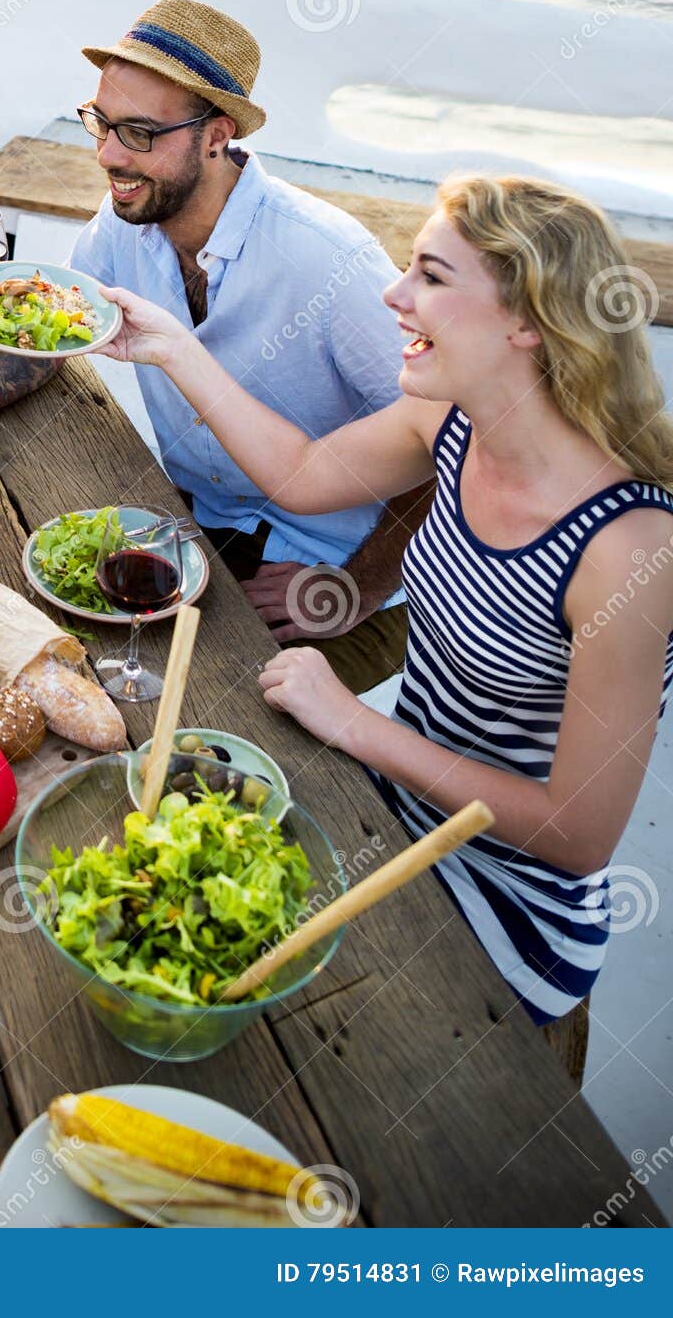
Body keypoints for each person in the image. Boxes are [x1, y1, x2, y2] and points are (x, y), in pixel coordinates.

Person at [100, 173, 673, 1023]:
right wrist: (174, 349)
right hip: (393, 805)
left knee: (234, 1004)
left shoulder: (631, 547)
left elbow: (578, 835)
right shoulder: (452, 425)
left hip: (511, 900)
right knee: (144, 890)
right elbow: (299, 475)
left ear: (529, 320)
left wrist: (354, 723)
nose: (393, 295)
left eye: (432, 278)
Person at [0, 0, 430, 693]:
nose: (106, 155)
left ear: (216, 135)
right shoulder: (123, 220)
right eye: (101, 122)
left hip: (344, 573)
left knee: (221, 725)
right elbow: (55, 334)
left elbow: (448, 442)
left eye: (137, 132)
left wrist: (357, 586)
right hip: (192, 531)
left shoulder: (329, 261)